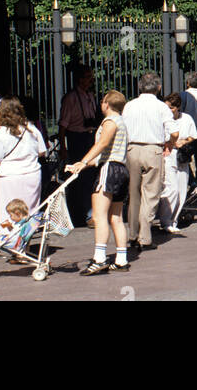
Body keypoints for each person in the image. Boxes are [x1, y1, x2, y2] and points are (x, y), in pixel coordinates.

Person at [68, 89, 131, 276]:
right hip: (120, 169)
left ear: (106, 104)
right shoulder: (122, 122)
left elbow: (102, 144)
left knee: (99, 215)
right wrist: (82, 166)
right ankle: (121, 259)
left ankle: (99, 258)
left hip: (109, 170)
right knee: (116, 217)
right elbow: (106, 152)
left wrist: (82, 160)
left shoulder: (110, 121)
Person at [122, 72, 176, 252]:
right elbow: (174, 132)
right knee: (151, 194)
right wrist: (170, 145)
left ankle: (132, 234)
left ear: (139, 87)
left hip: (132, 149)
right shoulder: (162, 107)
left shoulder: (129, 106)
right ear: (158, 88)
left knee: (133, 194)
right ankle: (145, 236)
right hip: (153, 149)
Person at [0, 98, 47, 218]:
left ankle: (9, 235)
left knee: (8, 212)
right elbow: (42, 152)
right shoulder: (31, 129)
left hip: (8, 176)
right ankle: (27, 233)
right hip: (32, 173)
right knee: (29, 211)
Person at [58, 65, 99, 224]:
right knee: (79, 177)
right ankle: (81, 214)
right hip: (77, 138)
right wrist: (63, 147)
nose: (90, 80)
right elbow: (63, 126)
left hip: (89, 136)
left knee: (90, 175)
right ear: (80, 79)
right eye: (88, 77)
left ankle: (89, 212)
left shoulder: (90, 95)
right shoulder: (71, 98)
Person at [157, 92, 197, 232]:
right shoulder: (163, 119)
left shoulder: (187, 118)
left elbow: (193, 136)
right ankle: (166, 220)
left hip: (182, 155)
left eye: (172, 108)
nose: (169, 110)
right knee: (171, 188)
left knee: (181, 189)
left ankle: (174, 220)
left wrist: (184, 141)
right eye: (167, 107)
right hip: (169, 154)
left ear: (178, 107)